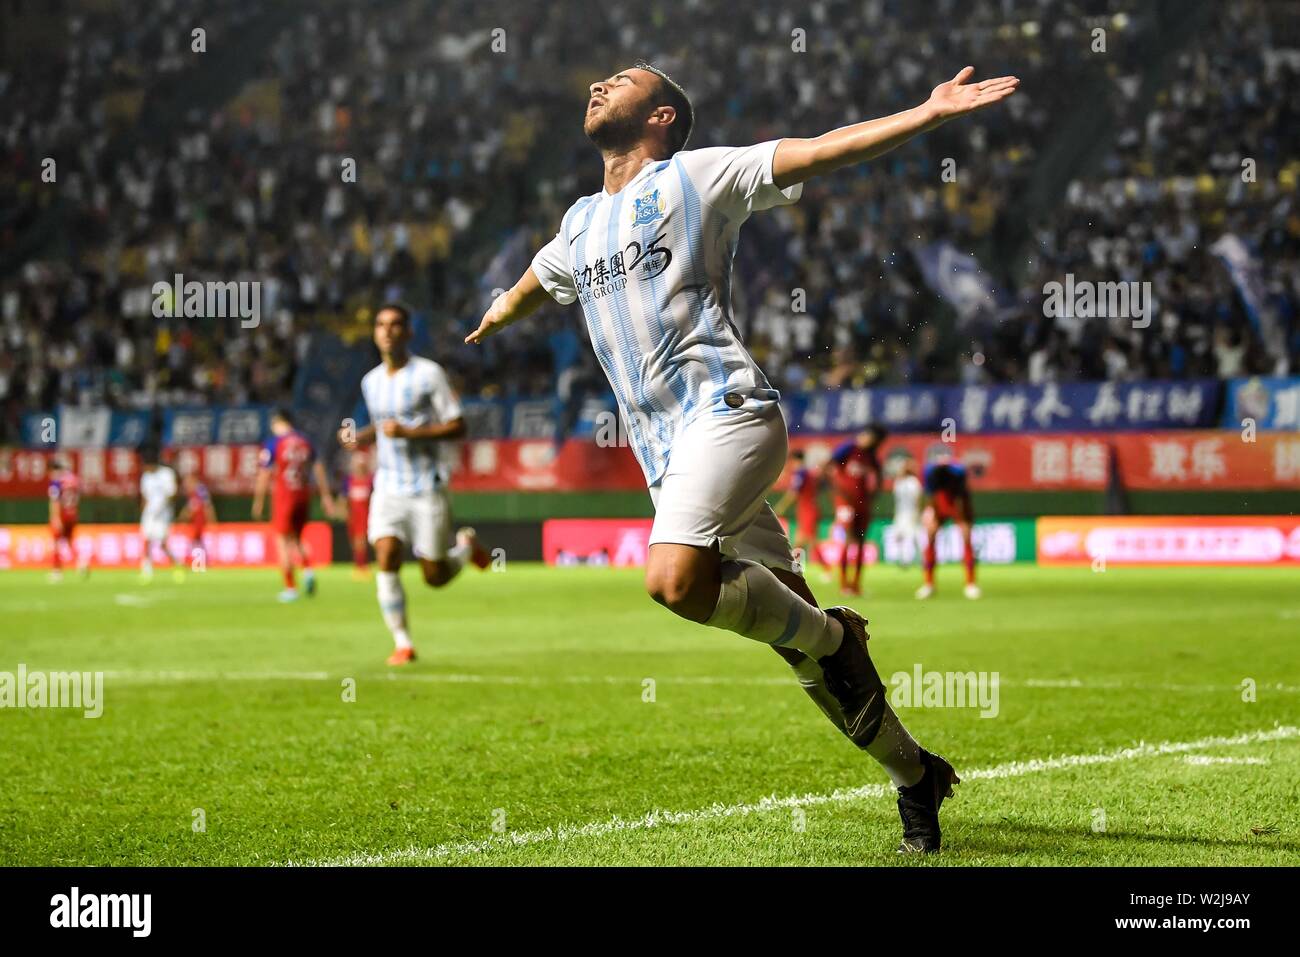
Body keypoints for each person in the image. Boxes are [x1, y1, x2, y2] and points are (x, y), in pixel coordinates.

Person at [466, 61, 1018, 852]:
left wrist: (927, 115)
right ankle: (913, 772)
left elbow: (822, 149)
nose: (596, 85)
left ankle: (834, 632)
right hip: (668, 458)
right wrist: (498, 311)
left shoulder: (696, 175)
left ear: (661, 118)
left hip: (728, 415)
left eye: (621, 81)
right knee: (797, 649)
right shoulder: (580, 223)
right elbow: (536, 278)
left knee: (674, 580)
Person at [339, 303, 491, 665]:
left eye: (395, 325)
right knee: (386, 555)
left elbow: (458, 425)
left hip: (427, 486)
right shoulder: (370, 381)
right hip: (388, 486)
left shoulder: (428, 375)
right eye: (380, 324)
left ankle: (465, 548)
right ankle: (403, 643)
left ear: (408, 333)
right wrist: (362, 436)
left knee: (434, 577)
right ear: (374, 333)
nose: (387, 331)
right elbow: (384, 426)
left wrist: (410, 432)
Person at [253, 409, 339, 602]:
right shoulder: (305, 441)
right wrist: (325, 496)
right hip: (303, 494)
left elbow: (265, 473)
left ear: (279, 422)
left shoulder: (275, 443)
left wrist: (259, 501)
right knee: (298, 538)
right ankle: (308, 571)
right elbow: (318, 467)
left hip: (284, 495)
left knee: (282, 541)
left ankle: (290, 588)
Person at [827, 425, 886, 595]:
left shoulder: (870, 456)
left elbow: (879, 477)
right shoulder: (848, 449)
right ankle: (844, 584)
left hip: (862, 503)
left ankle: (856, 585)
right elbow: (831, 468)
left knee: (860, 542)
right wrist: (838, 494)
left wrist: (872, 495)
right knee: (847, 540)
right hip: (845, 503)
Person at [917, 455, 980, 600]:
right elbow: (930, 495)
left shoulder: (958, 474)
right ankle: (929, 584)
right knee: (930, 536)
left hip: (957, 501)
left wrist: (962, 518)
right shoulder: (930, 474)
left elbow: (959, 498)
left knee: (966, 537)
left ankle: (970, 584)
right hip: (940, 501)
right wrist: (930, 513)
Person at [772, 449, 828, 579]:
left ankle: (826, 570)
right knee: (799, 542)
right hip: (809, 509)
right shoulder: (808, 473)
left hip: (808, 510)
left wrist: (781, 506)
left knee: (810, 541)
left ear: (795, 460)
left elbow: (794, 492)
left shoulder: (800, 473)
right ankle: (795, 569)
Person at [139, 450, 183, 583]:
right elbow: (145, 497)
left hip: (163, 514)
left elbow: (173, 493)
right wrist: (144, 511)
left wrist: (163, 504)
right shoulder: (145, 477)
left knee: (162, 544)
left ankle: (176, 562)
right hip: (149, 513)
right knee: (146, 539)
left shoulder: (166, 474)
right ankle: (147, 568)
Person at [47, 457, 87, 582]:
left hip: (62, 515)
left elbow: (55, 501)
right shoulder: (74, 480)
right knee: (70, 542)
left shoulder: (56, 482)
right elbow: (78, 497)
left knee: (56, 544)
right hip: (73, 514)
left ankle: (57, 571)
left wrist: (55, 518)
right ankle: (80, 563)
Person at [344, 450, 374, 579]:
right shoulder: (349, 481)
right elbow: (345, 500)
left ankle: (363, 566)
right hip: (354, 517)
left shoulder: (371, 480)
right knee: (356, 542)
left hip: (367, 516)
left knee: (362, 541)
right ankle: (359, 566)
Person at [891, 457, 924, 568]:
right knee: (902, 536)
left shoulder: (912, 482)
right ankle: (905, 559)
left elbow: (917, 499)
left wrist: (918, 513)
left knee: (912, 536)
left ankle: (913, 559)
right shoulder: (901, 482)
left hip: (910, 513)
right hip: (902, 513)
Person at [179, 473, 216, 569]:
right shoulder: (193, 492)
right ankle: (200, 562)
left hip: (200, 521)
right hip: (196, 521)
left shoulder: (200, 490)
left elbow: (207, 506)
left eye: (187, 482)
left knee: (196, 540)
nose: (186, 485)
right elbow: (190, 507)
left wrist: (211, 520)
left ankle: (197, 562)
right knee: (197, 541)